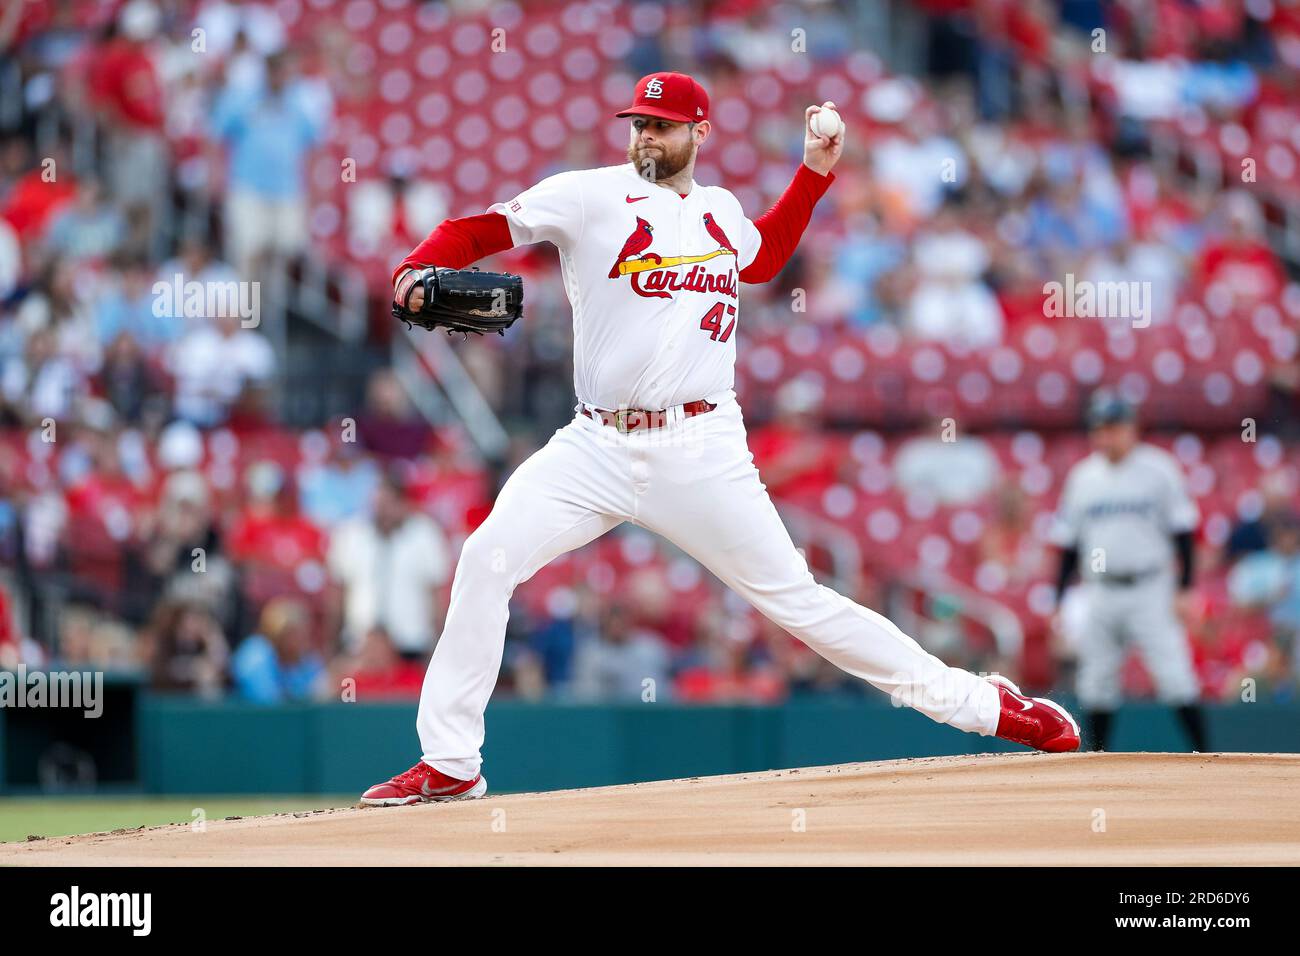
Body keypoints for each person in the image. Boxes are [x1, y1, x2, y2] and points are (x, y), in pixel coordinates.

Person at [360, 73, 1079, 808]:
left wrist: (814, 175)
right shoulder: (590, 195)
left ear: (699, 134)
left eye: (662, 125)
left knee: (798, 601)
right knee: (487, 557)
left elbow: (763, 257)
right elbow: (482, 229)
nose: (646, 135)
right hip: (594, 444)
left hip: (701, 444)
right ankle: (451, 762)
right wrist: (415, 265)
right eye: (639, 122)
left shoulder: (720, 212)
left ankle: (987, 708)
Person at [1050, 389, 1208, 752]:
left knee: (1175, 676)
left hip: (1150, 585)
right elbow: (1069, 545)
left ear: (1131, 428)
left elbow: (1184, 532)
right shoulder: (1083, 477)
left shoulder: (1158, 469)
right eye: (1100, 428)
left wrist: (1186, 588)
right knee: (1097, 680)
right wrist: (1057, 599)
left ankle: (1205, 754)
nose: (1106, 434)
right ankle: (1097, 758)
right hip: (1101, 589)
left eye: (1114, 426)